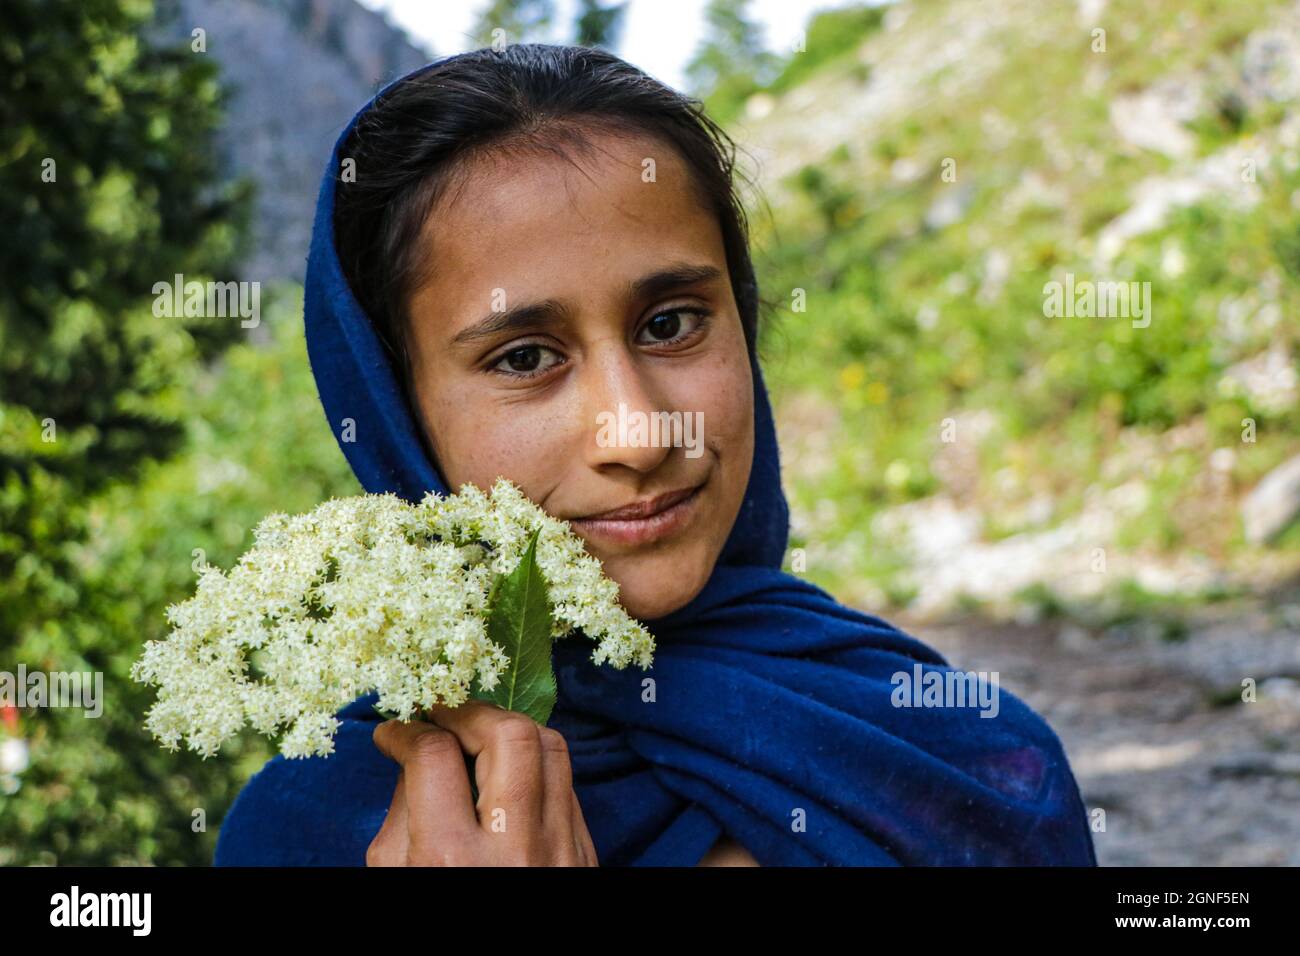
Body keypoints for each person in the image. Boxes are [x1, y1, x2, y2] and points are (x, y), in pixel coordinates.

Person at [213, 43, 1097, 867]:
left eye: (670, 324)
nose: (638, 435)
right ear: (395, 410)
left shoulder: (964, 765)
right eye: (524, 357)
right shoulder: (316, 828)